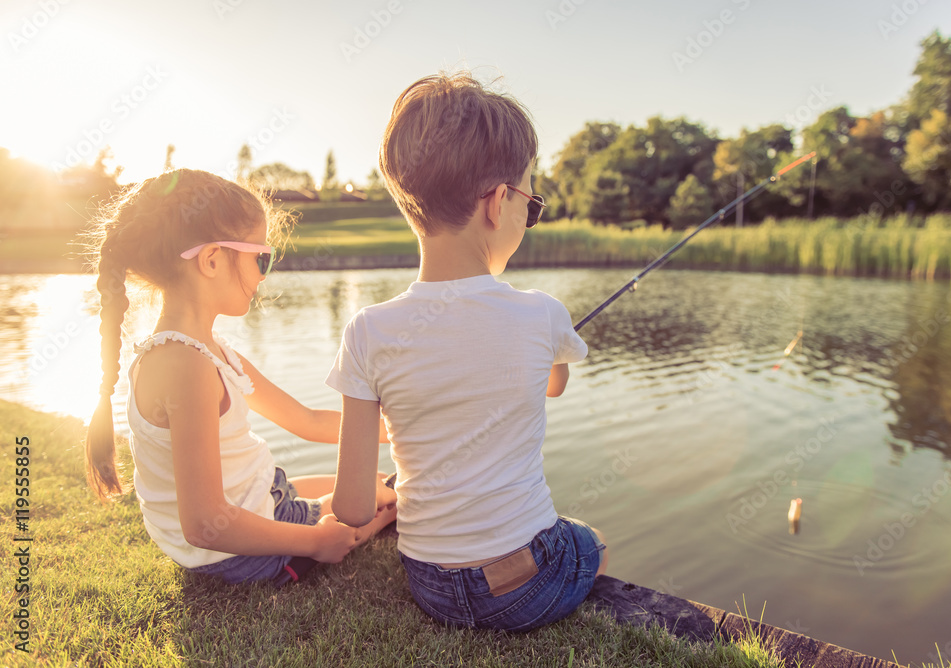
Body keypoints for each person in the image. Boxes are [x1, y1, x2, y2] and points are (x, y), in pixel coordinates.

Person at [327, 72, 608, 631]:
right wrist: (548, 342)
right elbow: (553, 385)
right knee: (590, 540)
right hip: (525, 587)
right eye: (531, 204)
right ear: (498, 201)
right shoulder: (543, 312)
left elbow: (354, 509)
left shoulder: (367, 330)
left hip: (429, 582)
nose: (528, 217)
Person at [84, 169, 397, 585]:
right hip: (235, 552)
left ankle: (351, 502)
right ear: (212, 259)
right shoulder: (187, 367)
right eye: (260, 259)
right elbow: (204, 523)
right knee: (386, 497)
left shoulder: (205, 351)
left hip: (259, 500)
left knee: (370, 483)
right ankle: (364, 520)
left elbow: (307, 422)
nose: (263, 276)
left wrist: (402, 430)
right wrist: (315, 543)